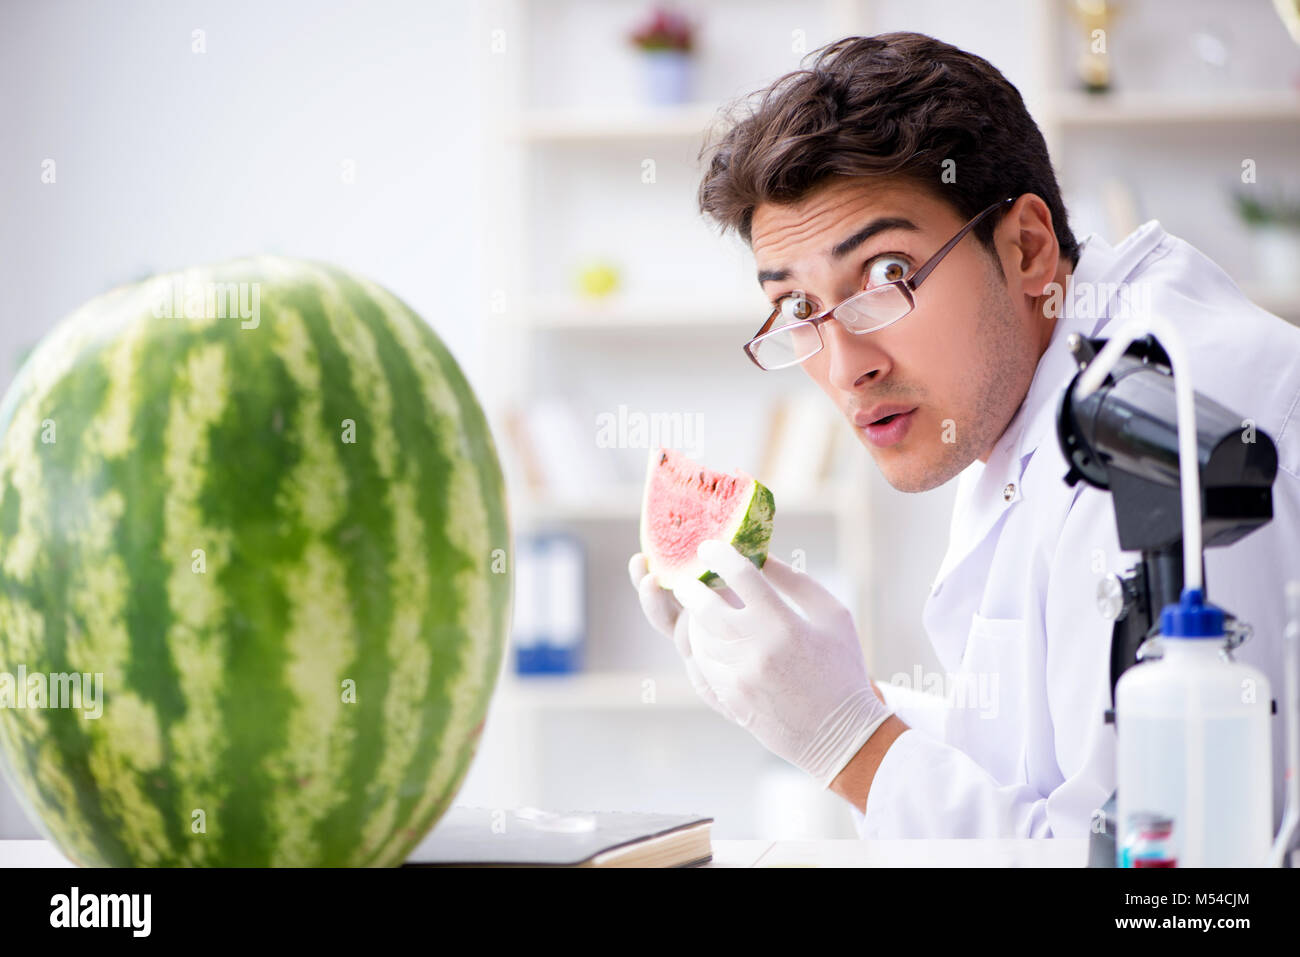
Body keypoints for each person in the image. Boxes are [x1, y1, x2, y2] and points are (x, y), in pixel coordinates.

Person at [627, 32, 1300, 840]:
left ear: (1026, 248)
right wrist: (815, 696)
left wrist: (849, 741)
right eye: (799, 309)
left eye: (884, 277)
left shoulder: (1165, 427)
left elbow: (1168, 893)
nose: (846, 368)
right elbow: (1044, 765)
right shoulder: (1038, 383)